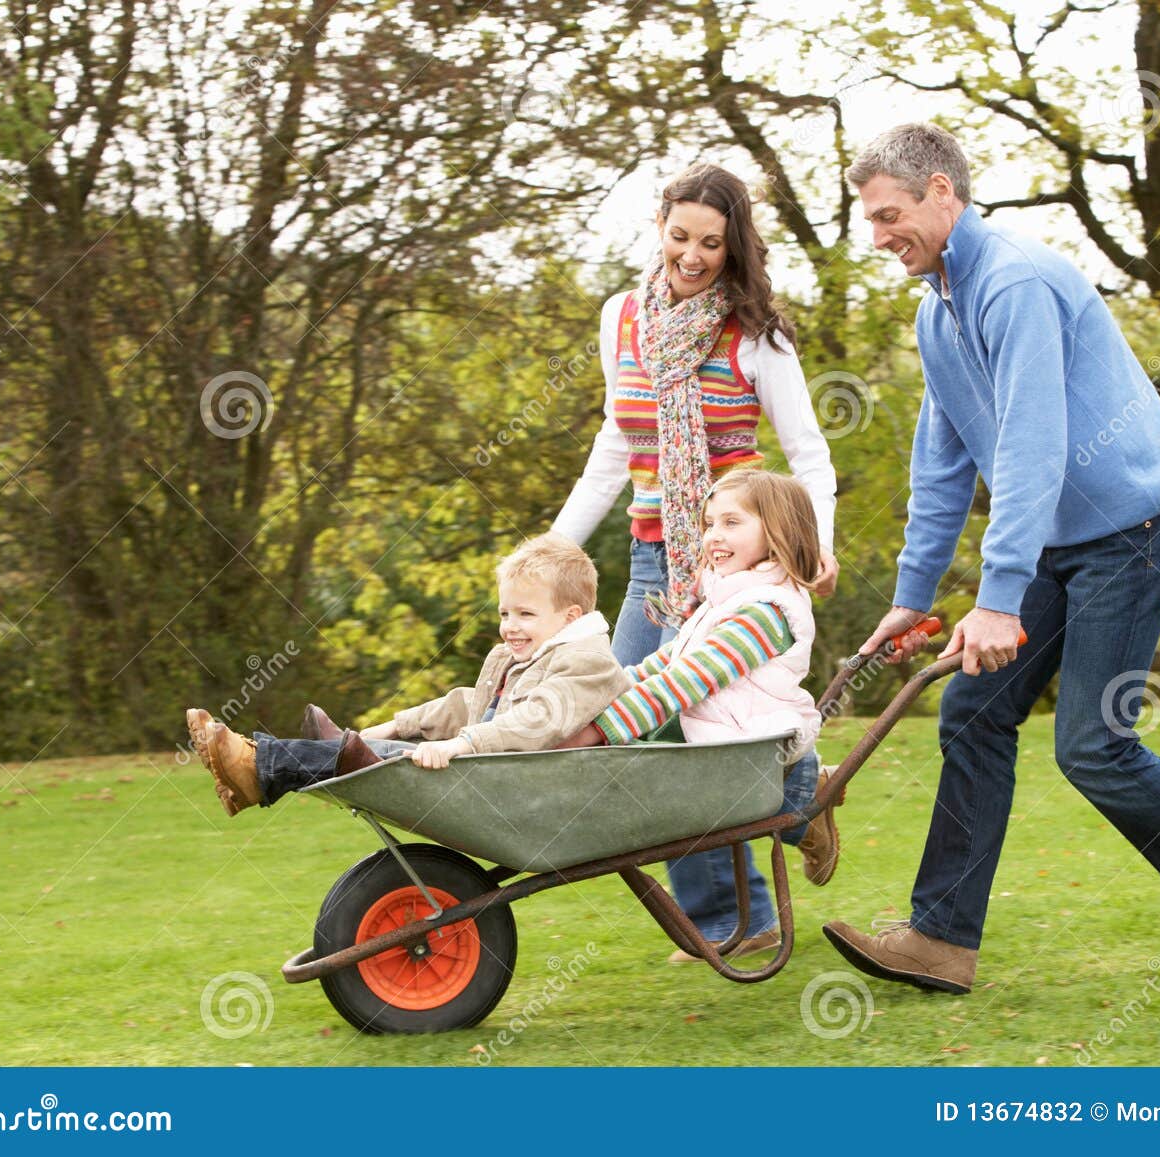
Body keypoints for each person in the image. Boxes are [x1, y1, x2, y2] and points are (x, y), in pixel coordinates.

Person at [822, 123, 1160, 994]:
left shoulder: (1016, 283)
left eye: (891, 216)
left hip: (1135, 530)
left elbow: (1035, 444)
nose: (881, 235)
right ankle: (942, 938)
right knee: (971, 713)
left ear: (942, 195)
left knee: (1094, 745)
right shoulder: (939, 311)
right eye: (872, 221)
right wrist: (912, 595)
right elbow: (946, 459)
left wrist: (998, 598)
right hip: (1063, 543)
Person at [551, 163, 842, 956]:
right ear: (660, 226)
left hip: (737, 569)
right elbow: (617, 446)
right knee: (647, 737)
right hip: (654, 564)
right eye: (681, 236)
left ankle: (787, 823)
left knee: (696, 735)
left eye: (711, 243)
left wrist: (818, 544)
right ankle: (734, 910)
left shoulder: (757, 337)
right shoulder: (622, 320)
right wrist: (555, 549)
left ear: (733, 244)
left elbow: (810, 458)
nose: (692, 255)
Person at [563, 469, 840, 958]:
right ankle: (807, 803)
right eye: (709, 523)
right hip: (723, 748)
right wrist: (600, 694)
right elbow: (664, 664)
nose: (713, 535)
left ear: (777, 532)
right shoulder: (723, 596)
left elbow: (685, 683)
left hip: (752, 758)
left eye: (732, 522)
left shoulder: (765, 612)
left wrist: (601, 731)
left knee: (685, 789)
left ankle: (807, 797)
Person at [185, 534, 632, 814]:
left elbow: (540, 720)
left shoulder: (587, 663)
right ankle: (277, 766)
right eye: (504, 612)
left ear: (572, 616)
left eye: (526, 613)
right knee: (384, 751)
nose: (510, 625)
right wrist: (400, 722)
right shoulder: (522, 655)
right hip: (493, 772)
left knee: (387, 762)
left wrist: (462, 743)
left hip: (527, 791)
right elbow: (467, 703)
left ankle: (262, 763)